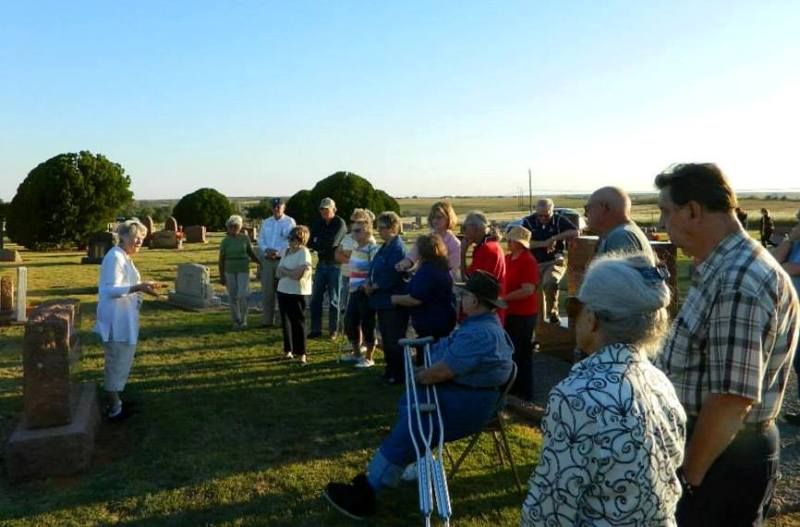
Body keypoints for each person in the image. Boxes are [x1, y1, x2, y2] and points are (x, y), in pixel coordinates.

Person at [655, 163, 799, 526]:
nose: (662, 224)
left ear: (693, 211)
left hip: (722, 459)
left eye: (666, 212)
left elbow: (730, 401)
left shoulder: (738, 280)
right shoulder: (723, 267)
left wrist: (688, 479)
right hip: (720, 451)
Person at [323, 271, 513, 520]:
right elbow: (443, 355)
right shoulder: (481, 325)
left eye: (464, 295)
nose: (460, 298)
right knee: (412, 407)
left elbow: (442, 370)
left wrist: (418, 374)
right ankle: (407, 461)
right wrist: (423, 371)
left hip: (469, 403)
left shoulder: (480, 333)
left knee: (414, 422)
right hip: (466, 393)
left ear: (475, 301)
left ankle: (367, 492)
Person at [522, 253, 686, 526]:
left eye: (575, 308)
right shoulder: (660, 384)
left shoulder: (576, 397)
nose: (573, 319)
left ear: (594, 319)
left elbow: (550, 509)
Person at [94, 219, 160, 420]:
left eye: (141, 239)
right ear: (122, 237)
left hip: (125, 317)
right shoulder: (115, 257)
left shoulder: (125, 257)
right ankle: (115, 408)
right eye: (135, 238)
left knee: (121, 360)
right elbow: (108, 289)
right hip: (116, 319)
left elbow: (131, 283)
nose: (139, 242)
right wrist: (138, 288)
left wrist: (144, 286)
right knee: (115, 361)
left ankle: (118, 402)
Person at [364, 211, 408, 384]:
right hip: (381, 300)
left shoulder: (398, 249)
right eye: (378, 227)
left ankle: (398, 374)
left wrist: (374, 286)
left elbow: (392, 274)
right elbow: (374, 267)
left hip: (393, 301)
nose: (379, 231)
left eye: (382, 228)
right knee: (386, 337)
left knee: (394, 339)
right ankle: (389, 370)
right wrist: (369, 281)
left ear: (393, 228)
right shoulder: (384, 247)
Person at [521, 199, 578, 324]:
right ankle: (538, 323)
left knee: (550, 282)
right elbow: (524, 243)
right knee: (534, 294)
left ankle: (553, 312)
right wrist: (544, 243)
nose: (543, 218)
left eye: (546, 215)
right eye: (540, 215)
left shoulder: (558, 220)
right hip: (534, 263)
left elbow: (575, 231)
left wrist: (554, 238)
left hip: (554, 261)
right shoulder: (528, 222)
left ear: (552, 211)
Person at [391, 234, 457, 341]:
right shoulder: (441, 267)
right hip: (444, 319)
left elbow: (416, 299)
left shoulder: (428, 271)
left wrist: (394, 299)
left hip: (432, 324)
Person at [501, 226, 539, 402]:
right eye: (508, 239)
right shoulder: (508, 258)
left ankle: (525, 392)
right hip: (510, 311)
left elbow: (528, 290)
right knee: (512, 351)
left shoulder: (527, 261)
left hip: (524, 314)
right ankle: (513, 388)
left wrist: (505, 298)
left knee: (522, 353)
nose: (508, 242)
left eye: (512, 240)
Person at [340, 213, 380, 368]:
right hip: (354, 290)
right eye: (353, 230)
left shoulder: (372, 248)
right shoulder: (357, 247)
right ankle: (356, 352)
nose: (354, 234)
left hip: (365, 291)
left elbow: (375, 270)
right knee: (350, 321)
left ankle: (369, 356)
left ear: (367, 231)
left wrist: (367, 285)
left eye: (358, 231)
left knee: (368, 323)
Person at [772, 209, 800, 425]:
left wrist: (785, 268)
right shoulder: (794, 243)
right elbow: (776, 262)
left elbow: (790, 267)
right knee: (798, 361)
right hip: (794, 311)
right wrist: (790, 239)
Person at [308, 198, 347, 339]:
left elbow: (332, 242)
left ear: (334, 209)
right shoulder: (318, 223)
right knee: (316, 298)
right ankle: (315, 329)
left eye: (327, 209)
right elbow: (311, 241)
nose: (324, 212)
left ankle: (333, 330)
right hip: (322, 263)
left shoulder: (339, 223)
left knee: (333, 299)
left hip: (335, 265)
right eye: (322, 209)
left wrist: (319, 243)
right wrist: (319, 244)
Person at [396, 201, 461, 280]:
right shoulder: (426, 239)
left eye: (439, 217)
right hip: (422, 280)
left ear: (448, 219)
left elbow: (452, 271)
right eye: (433, 217)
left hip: (442, 284)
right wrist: (402, 264)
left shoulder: (454, 244)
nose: (435, 220)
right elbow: (412, 256)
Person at [586, 186, 655, 261]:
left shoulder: (620, 236)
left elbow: (619, 272)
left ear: (605, 207)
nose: (585, 214)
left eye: (588, 208)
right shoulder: (624, 232)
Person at [276, 225, 313, 365]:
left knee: (298, 322)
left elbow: (298, 275)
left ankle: (302, 353)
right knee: (285, 322)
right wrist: (289, 272)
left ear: (300, 240)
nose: (290, 241)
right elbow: (278, 272)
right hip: (283, 290)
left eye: (293, 239)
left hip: (297, 291)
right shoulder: (286, 252)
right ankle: (288, 350)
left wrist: (287, 272)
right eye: (289, 238)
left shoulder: (304, 252)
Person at [257, 197, 296, 327]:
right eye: (274, 207)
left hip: (282, 260)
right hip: (267, 260)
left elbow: (291, 241)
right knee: (267, 292)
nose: (276, 209)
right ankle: (267, 321)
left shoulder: (289, 222)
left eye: (279, 206)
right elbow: (261, 239)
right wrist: (266, 250)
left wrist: (278, 252)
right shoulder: (266, 222)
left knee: (282, 292)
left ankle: (282, 321)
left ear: (283, 207)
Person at [461, 211, 506, 322]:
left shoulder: (486, 249)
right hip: (491, 306)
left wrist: (462, 253)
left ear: (475, 228)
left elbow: (468, 280)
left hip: (484, 309)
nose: (463, 232)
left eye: (465, 228)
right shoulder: (491, 245)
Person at [219, 214, 260, 330]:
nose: (233, 229)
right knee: (232, 296)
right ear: (228, 227)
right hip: (229, 269)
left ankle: (244, 319)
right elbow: (221, 259)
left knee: (242, 294)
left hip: (243, 269)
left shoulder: (244, 238)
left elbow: (251, 253)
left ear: (240, 227)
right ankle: (236, 320)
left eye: (236, 226)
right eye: (231, 226)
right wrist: (222, 275)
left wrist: (260, 262)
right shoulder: (225, 241)